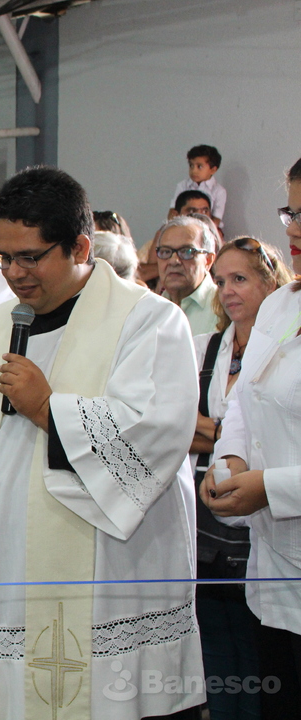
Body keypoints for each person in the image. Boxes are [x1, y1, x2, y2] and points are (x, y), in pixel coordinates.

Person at [0, 166, 205, 719]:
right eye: (5, 257)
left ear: (80, 246)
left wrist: (47, 408)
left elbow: (151, 444)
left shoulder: (149, 323)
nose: (14, 273)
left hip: (110, 579)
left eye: (31, 257)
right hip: (7, 575)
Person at [201, 156, 301, 716]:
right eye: (292, 210)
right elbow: (245, 397)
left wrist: (271, 486)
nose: (294, 229)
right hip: (275, 574)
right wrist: (232, 459)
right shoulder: (283, 305)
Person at [188, 236, 290, 720]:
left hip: (271, 511)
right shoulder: (219, 341)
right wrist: (227, 454)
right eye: (221, 280)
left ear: (268, 281)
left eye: (241, 278)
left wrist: (265, 483)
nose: (227, 290)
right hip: (240, 533)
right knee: (242, 665)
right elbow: (232, 412)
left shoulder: (278, 321)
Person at [156, 214, 219, 335]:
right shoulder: (152, 307)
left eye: (186, 251)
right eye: (166, 251)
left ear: (208, 260)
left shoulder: (223, 308)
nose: (174, 261)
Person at [172, 144, 226, 227]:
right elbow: (173, 211)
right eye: (191, 166)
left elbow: (216, 219)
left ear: (213, 170)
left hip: (208, 230)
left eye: (199, 167)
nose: (194, 171)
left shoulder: (219, 191)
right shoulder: (182, 185)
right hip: (183, 228)